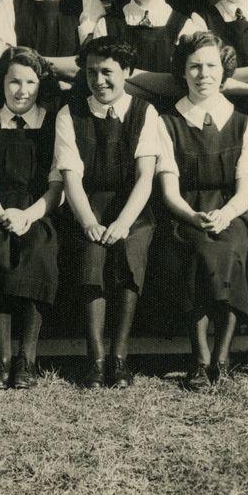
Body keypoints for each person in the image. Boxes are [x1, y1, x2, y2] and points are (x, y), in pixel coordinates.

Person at [54, 36, 162, 388]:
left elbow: (146, 178)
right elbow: (70, 177)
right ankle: (96, 358)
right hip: (87, 205)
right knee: (92, 256)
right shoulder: (70, 113)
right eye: (91, 72)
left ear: (127, 72)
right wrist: (88, 222)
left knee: (130, 252)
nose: (99, 80)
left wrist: (122, 223)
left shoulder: (145, 112)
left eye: (107, 72)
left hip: (132, 208)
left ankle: (120, 356)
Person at [155, 33, 248, 388]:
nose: (203, 74)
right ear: (182, 72)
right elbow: (169, 191)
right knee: (197, 251)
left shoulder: (245, 122)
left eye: (211, 66)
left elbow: (247, 189)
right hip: (185, 212)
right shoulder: (166, 121)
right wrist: (193, 217)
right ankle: (200, 358)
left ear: (225, 70)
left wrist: (226, 214)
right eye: (194, 66)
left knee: (229, 251)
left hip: (231, 211)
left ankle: (223, 356)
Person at [0, 47, 64, 390]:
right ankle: (2, 358)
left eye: (29, 82)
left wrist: (30, 214)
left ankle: (27, 358)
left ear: (40, 85)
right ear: (2, 83)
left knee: (38, 248)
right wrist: (3, 213)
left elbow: (57, 183)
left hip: (38, 208)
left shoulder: (54, 122)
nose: (21, 90)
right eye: (14, 82)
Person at [90, 0, 208, 107]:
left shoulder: (186, 27)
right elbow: (102, 84)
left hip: (169, 120)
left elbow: (185, 86)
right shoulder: (106, 26)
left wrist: (122, 77)